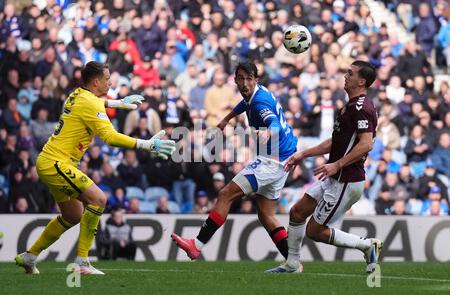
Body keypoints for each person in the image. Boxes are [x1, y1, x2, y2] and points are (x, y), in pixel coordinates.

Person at [15, 61, 176, 275]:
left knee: (73, 215)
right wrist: (145, 144)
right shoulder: (91, 103)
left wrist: (118, 102)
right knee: (99, 199)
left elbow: (94, 104)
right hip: (57, 163)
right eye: (107, 79)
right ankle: (82, 262)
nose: (110, 83)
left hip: (51, 161)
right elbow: (110, 137)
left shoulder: (77, 94)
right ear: (96, 82)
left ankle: (29, 256)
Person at [171, 61, 298, 260]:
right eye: (241, 79)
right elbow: (244, 104)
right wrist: (227, 118)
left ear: (256, 80)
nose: (245, 83)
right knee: (266, 215)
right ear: (235, 80)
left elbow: (272, 120)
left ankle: (196, 245)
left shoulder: (260, 102)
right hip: (284, 157)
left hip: (272, 160)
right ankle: (293, 261)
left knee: (225, 194)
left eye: (249, 79)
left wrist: (270, 132)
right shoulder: (255, 94)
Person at [266, 60, 382, 274]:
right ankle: (292, 264)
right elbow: (334, 142)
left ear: (362, 81)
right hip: (335, 177)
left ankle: (367, 245)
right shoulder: (349, 106)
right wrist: (303, 154)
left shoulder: (362, 108)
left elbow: (366, 144)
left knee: (315, 230)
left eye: (350, 73)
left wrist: (336, 164)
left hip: (347, 180)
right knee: (297, 212)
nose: (345, 76)